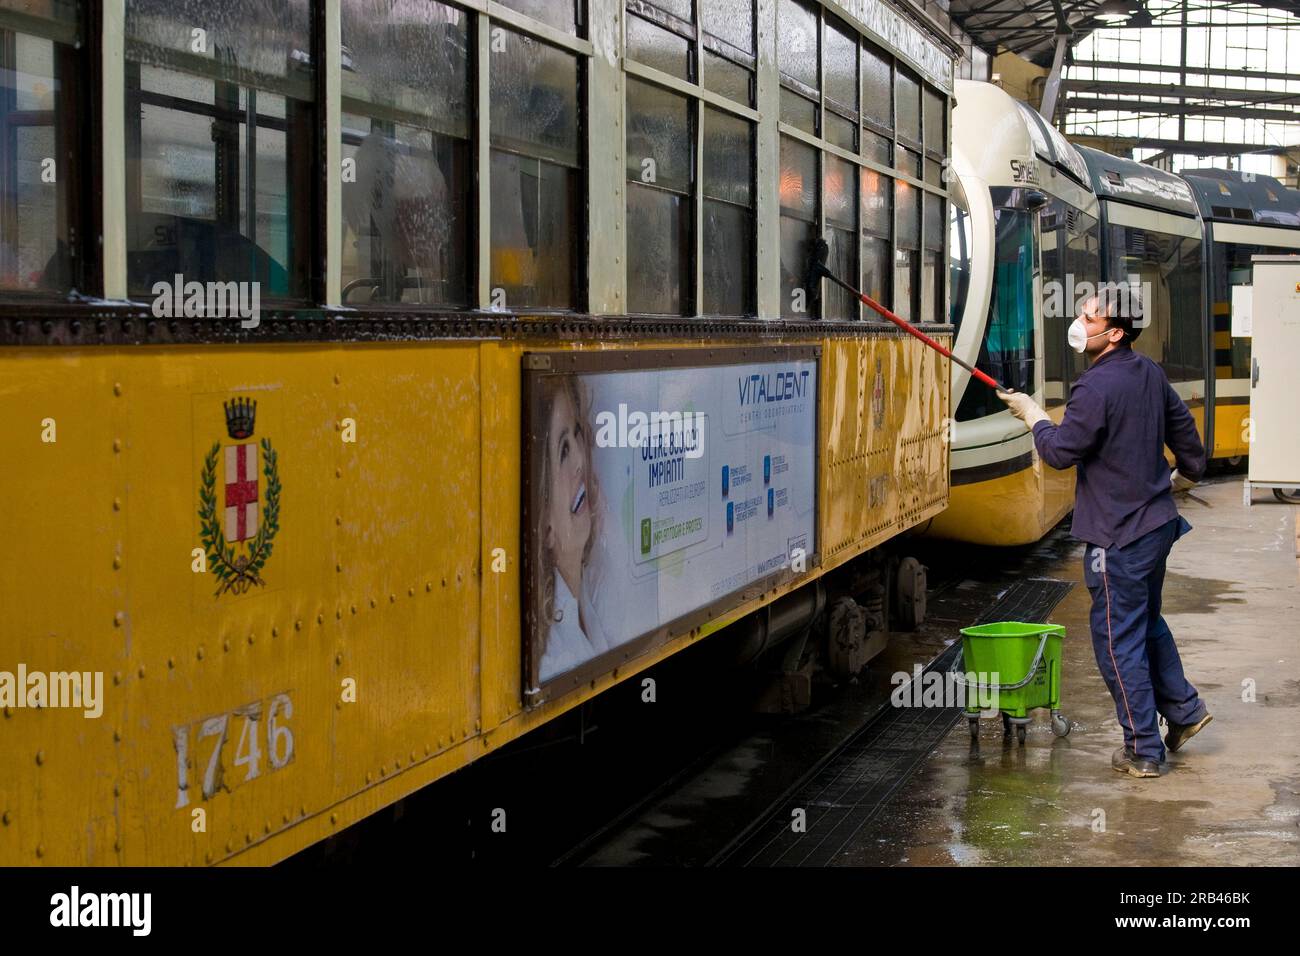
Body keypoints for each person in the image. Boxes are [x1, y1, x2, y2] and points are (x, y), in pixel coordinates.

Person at [997, 286, 1212, 778]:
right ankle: (1183, 711)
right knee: (1145, 622)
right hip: (1156, 528)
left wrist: (1033, 417)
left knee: (1117, 639)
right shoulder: (1151, 374)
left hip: (1118, 537)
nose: (1078, 319)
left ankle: (1143, 750)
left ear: (1113, 333)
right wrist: (1173, 483)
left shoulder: (1095, 387)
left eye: (1089, 315)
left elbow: (1059, 453)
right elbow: (1192, 450)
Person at [535, 377, 609, 683]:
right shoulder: (553, 663)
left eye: (577, 435)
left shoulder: (591, 597)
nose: (580, 458)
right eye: (564, 450)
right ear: (546, 526)